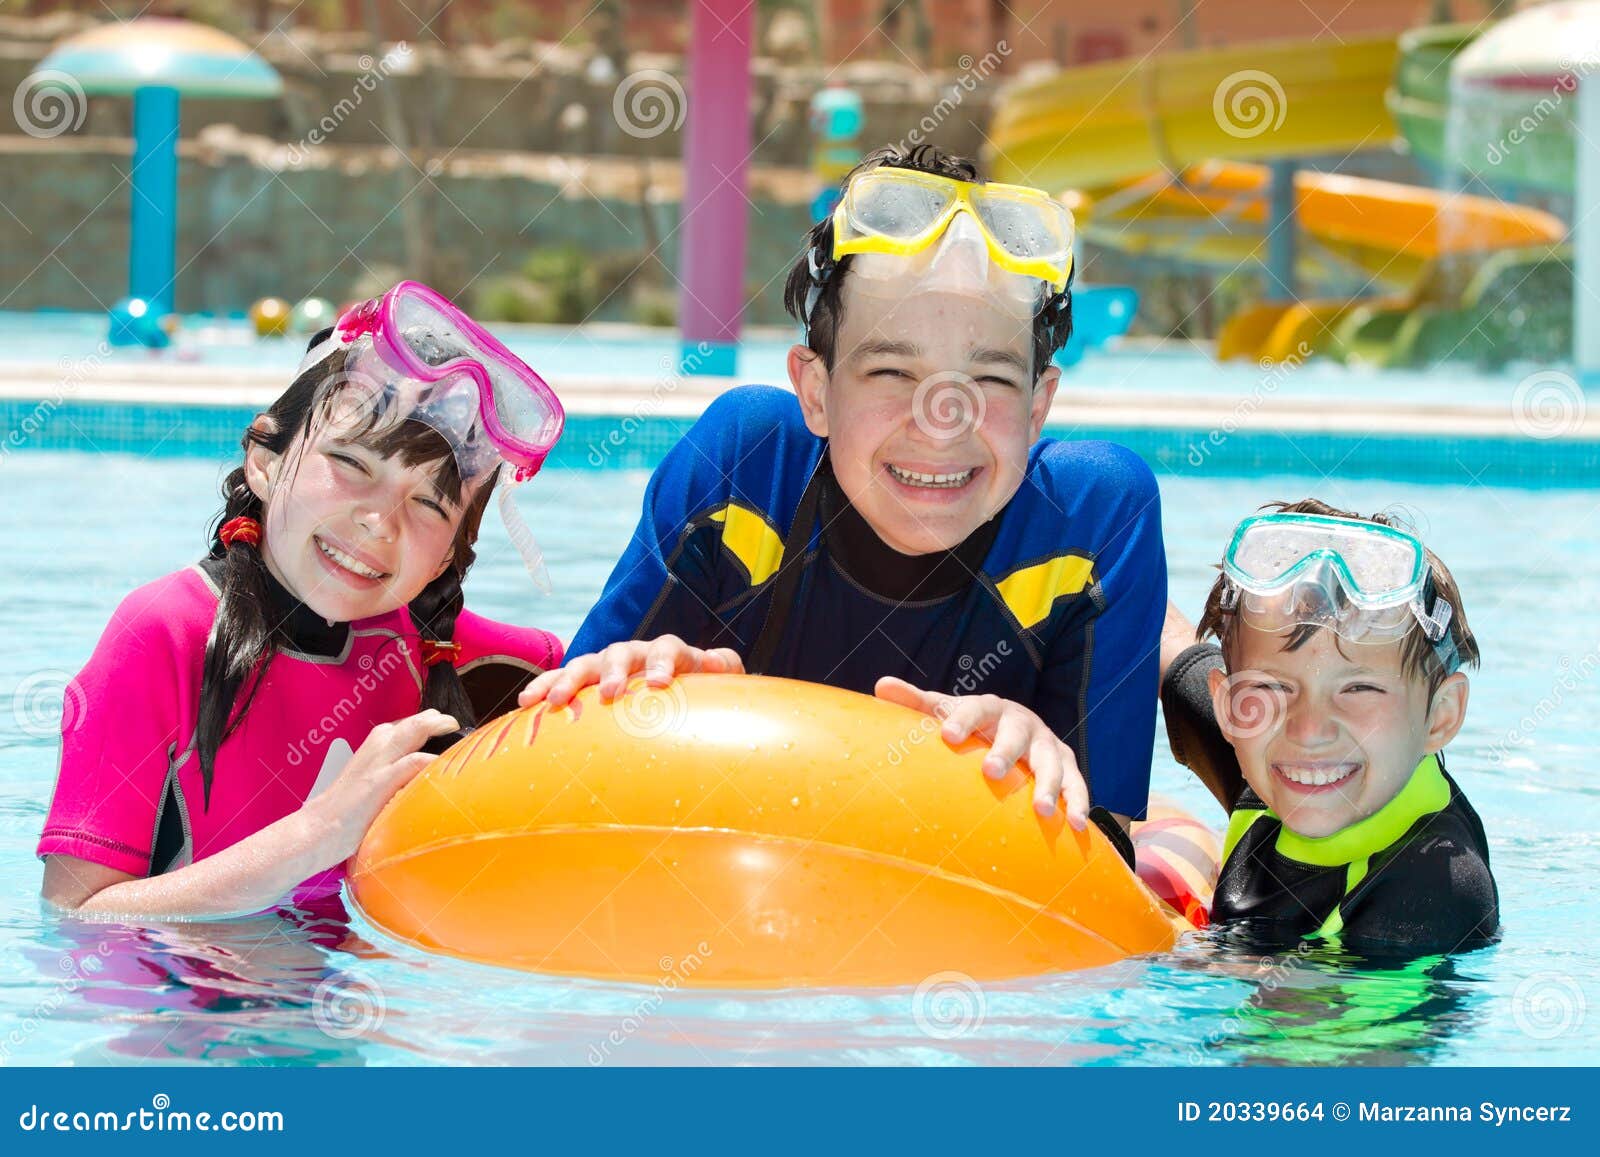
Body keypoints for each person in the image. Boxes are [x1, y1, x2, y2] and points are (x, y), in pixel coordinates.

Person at [521, 145, 1167, 837]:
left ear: (1038, 406)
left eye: (991, 379)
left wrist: (1039, 748)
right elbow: (539, 777)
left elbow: (1108, 872)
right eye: (891, 370)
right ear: (817, 391)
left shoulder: (1092, 522)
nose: (940, 421)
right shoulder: (747, 469)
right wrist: (628, 690)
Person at [38, 281, 565, 918]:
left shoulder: (437, 650)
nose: (380, 522)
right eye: (353, 463)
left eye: (429, 502)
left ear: (451, 554)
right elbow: (76, 919)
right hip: (183, 1010)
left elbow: (600, 687)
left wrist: (642, 670)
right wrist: (316, 837)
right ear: (264, 460)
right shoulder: (164, 634)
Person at [1188, 499, 1499, 954]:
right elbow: (1173, 655)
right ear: (1228, 705)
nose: (1307, 730)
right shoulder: (1272, 764)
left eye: (1359, 690)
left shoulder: (1432, 891)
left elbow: (1305, 1016)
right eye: (1274, 687)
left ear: (1441, 715)